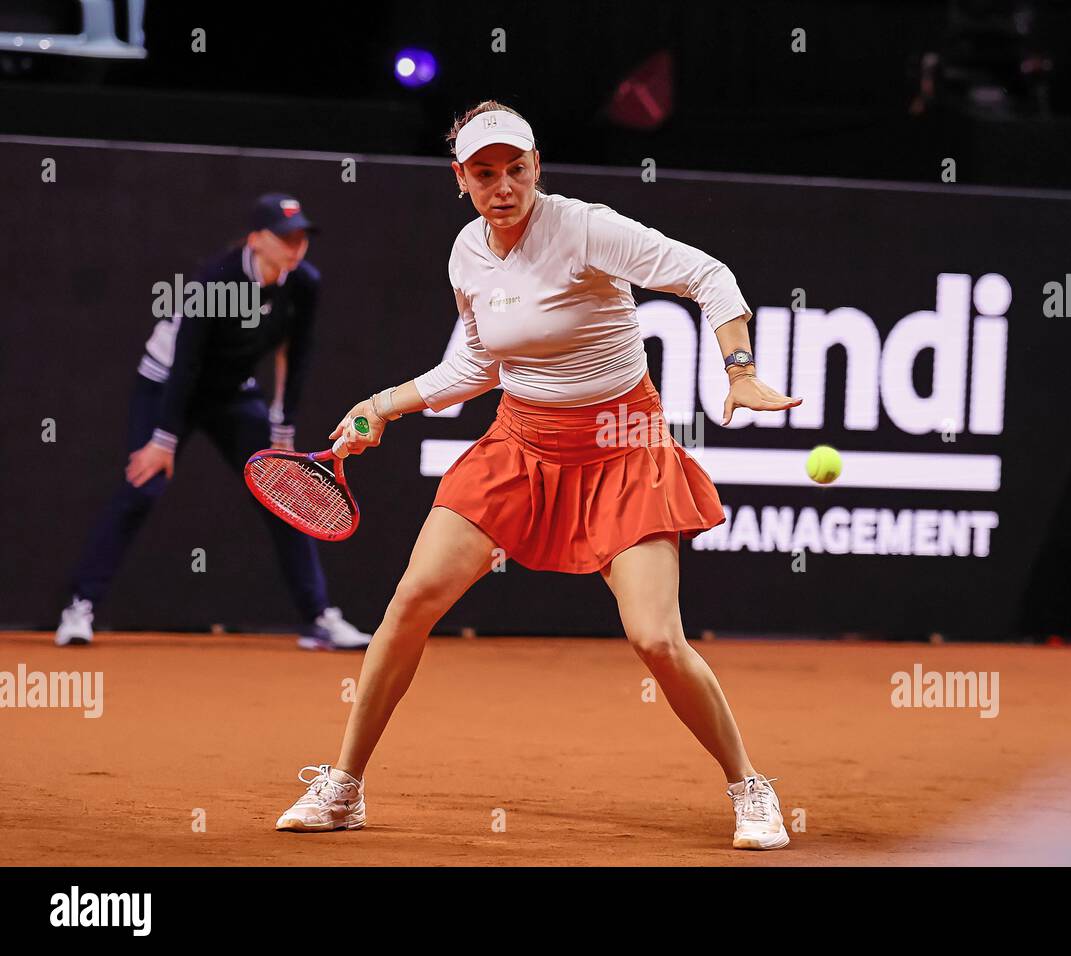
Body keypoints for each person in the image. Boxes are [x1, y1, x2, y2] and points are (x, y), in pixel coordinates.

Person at [275, 102, 799, 849]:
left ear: (536, 166)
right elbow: (476, 364)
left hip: (623, 451)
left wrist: (740, 372)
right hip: (520, 447)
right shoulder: (467, 254)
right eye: (484, 173)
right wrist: (383, 405)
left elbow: (708, 276)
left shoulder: (585, 228)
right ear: (461, 179)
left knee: (655, 639)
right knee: (413, 600)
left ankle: (750, 786)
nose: (504, 185)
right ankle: (344, 785)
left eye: (516, 169)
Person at [55, 194, 371, 652]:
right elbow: (186, 364)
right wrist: (162, 439)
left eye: (301, 236)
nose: (296, 246)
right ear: (257, 240)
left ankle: (319, 618)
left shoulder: (304, 284)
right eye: (286, 238)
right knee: (142, 488)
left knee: (287, 493)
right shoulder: (215, 282)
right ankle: (79, 607)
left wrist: (282, 432)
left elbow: (295, 358)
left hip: (232, 392)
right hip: (168, 385)